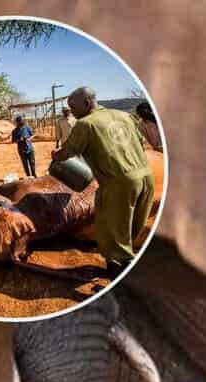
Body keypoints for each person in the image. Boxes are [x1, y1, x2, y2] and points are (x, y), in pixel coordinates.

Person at [52, 86, 155, 279]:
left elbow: (67, 153)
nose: (71, 111)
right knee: (132, 225)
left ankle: (121, 274)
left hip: (119, 183)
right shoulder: (124, 116)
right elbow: (140, 142)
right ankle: (129, 261)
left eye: (73, 106)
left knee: (110, 229)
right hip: (146, 177)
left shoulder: (85, 124)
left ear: (87, 103)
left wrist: (56, 155)